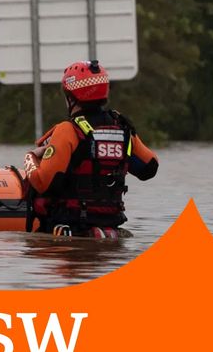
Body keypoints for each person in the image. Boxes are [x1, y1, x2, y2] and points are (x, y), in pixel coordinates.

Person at [22, 60, 159, 238]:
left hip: (69, 228)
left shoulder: (68, 130)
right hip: (111, 227)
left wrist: (30, 157)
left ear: (71, 97)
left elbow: (42, 182)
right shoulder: (122, 128)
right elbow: (150, 168)